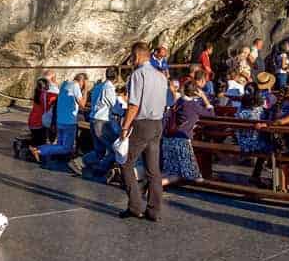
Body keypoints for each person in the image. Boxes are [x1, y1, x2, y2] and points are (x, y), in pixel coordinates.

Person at [119, 41, 172, 222]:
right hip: (158, 122)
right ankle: (153, 210)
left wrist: (125, 127)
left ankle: (134, 205)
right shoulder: (161, 76)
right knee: (153, 169)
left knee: (126, 162)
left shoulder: (137, 75)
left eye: (132, 57)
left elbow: (134, 105)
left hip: (142, 123)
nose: (131, 61)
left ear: (138, 56)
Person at [161, 77, 210, 187]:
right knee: (194, 176)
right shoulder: (193, 105)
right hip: (182, 141)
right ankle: (156, 185)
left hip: (169, 139)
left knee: (172, 171)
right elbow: (211, 114)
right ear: (196, 91)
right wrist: (204, 98)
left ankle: (153, 184)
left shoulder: (179, 101)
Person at [30, 72, 84, 166]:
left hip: (59, 121)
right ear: (82, 81)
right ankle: (39, 150)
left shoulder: (64, 84)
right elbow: (82, 104)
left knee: (60, 144)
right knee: (66, 147)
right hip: (68, 122)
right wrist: (86, 90)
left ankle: (39, 149)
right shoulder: (73, 86)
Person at [82, 68, 123, 180]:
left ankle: (83, 161)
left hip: (93, 119)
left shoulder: (98, 86)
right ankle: (101, 169)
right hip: (102, 122)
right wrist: (124, 112)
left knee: (99, 150)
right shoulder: (109, 87)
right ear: (117, 76)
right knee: (116, 148)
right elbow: (114, 106)